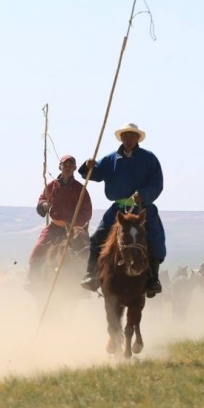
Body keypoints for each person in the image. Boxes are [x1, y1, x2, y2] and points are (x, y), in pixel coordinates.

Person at [79, 122, 166, 297]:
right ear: (121, 138)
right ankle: (91, 275)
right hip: (118, 208)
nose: (128, 139)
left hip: (142, 208)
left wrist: (143, 194)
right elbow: (93, 174)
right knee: (97, 238)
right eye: (125, 136)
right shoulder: (111, 159)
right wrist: (88, 166)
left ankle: (153, 279)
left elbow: (157, 183)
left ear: (137, 138)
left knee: (154, 238)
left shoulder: (149, 158)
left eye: (132, 136)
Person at [26, 155, 93, 284]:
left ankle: (87, 282)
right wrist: (44, 205)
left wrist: (74, 224)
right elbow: (42, 200)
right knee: (37, 250)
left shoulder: (80, 189)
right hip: (54, 227)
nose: (68, 168)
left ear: (75, 168)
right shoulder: (52, 186)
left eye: (71, 166)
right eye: (65, 165)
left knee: (86, 252)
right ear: (60, 167)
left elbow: (87, 212)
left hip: (73, 230)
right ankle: (32, 280)